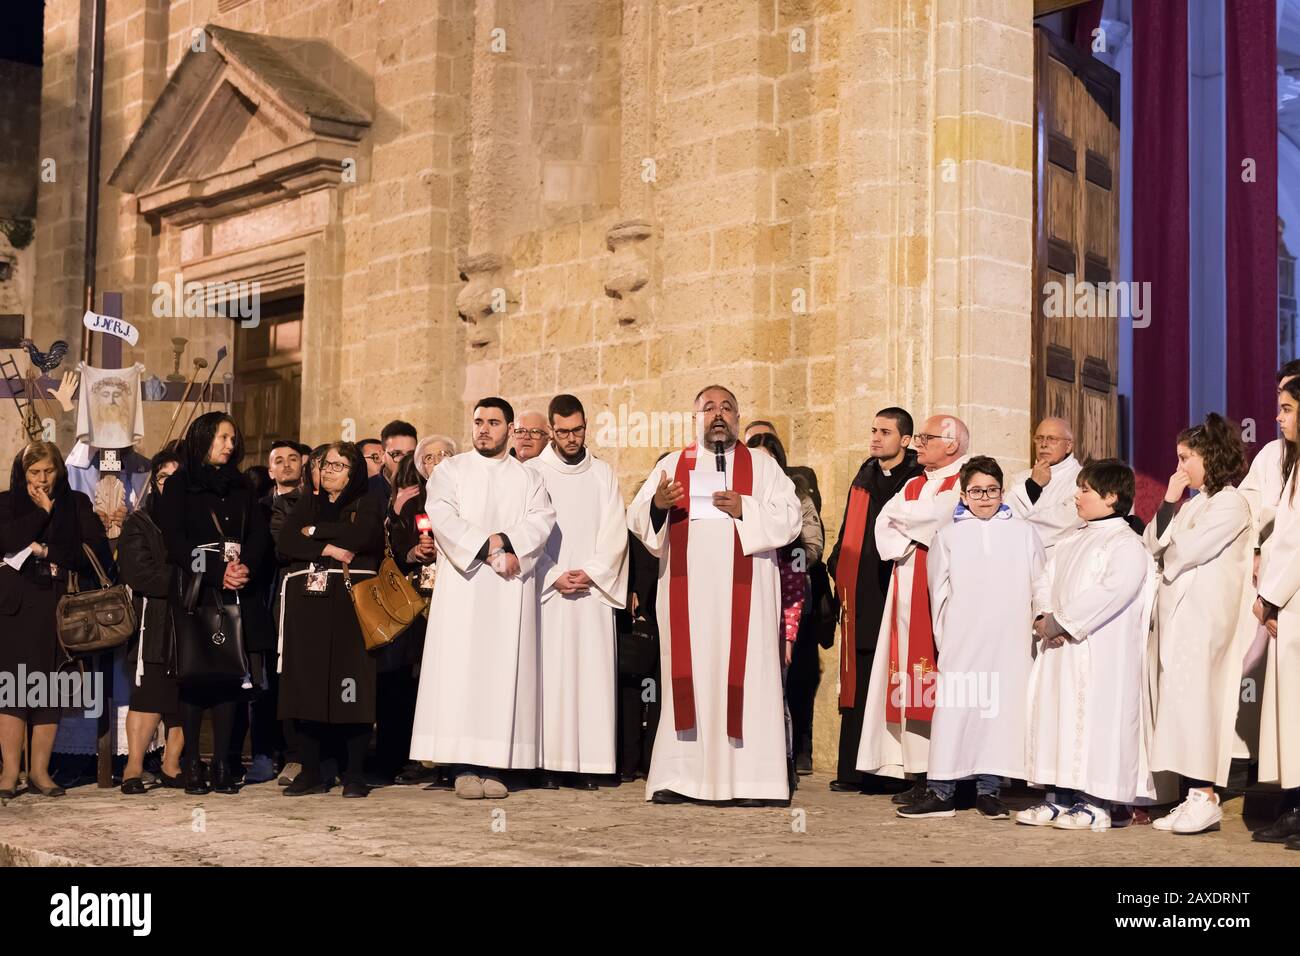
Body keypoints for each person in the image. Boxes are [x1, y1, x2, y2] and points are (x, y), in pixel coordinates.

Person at [627, 385, 802, 806]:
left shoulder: (762, 466)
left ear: (738, 417)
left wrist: (746, 508)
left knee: (749, 681)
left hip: (749, 598)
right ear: (695, 418)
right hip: (688, 601)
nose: (718, 415)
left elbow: (791, 517)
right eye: (709, 408)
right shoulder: (672, 463)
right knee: (689, 679)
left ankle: (754, 783)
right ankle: (680, 777)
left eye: (726, 407)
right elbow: (637, 518)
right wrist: (658, 504)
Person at [410, 397, 556, 799]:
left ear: (510, 429)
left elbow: (541, 519)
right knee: (463, 672)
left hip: (509, 586)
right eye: (478, 422)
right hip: (465, 585)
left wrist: (508, 546)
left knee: (502, 671)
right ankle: (462, 765)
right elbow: (442, 515)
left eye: (493, 422)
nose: (484, 429)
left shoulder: (528, 477)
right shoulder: (451, 471)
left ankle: (496, 764)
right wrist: (488, 547)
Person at [897, 456, 1044, 820]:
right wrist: (944, 639)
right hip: (963, 639)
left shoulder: (1024, 532)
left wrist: (1034, 624)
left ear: (1002, 491)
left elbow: (1040, 581)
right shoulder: (948, 535)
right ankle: (942, 790)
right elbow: (938, 591)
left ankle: (989, 791)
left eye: (992, 490)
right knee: (955, 712)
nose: (984, 498)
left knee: (997, 715)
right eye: (976, 491)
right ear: (963, 494)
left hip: (1009, 640)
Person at [1020, 459, 1158, 831]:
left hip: (1099, 652)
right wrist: (1042, 616)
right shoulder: (1070, 539)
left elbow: (1113, 590)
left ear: (1112, 497)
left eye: (1085, 490)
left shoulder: (1126, 544)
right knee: (1057, 719)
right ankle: (1058, 797)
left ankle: (1096, 802)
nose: (1076, 496)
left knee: (1096, 722)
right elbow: (1044, 580)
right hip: (1059, 649)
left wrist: (1062, 621)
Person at [1143, 414, 1251, 835]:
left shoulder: (1230, 502)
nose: (1179, 467)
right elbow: (1153, 542)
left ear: (1211, 455)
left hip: (1206, 617)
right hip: (1180, 615)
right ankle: (1191, 793)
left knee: (1200, 703)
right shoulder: (1195, 501)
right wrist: (1169, 501)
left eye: (1186, 457)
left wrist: (1168, 543)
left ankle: (1205, 796)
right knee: (1182, 704)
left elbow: (1183, 552)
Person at [856, 413, 971, 803]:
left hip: (941, 589)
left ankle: (949, 772)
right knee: (909, 676)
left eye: (927, 437)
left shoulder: (966, 481)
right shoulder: (913, 482)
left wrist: (909, 524)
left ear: (952, 444)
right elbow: (884, 523)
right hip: (904, 583)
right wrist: (910, 534)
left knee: (935, 675)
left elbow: (940, 518)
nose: (918, 443)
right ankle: (918, 772)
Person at [157, 412, 272, 796]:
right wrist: (214, 571)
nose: (230, 445)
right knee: (195, 678)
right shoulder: (180, 485)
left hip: (238, 591)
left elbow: (258, 535)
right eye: (223, 437)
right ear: (204, 438)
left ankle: (223, 763)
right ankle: (192, 764)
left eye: (233, 438)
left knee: (230, 678)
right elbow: (173, 541)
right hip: (198, 592)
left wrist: (244, 568)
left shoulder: (241, 486)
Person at [529, 394, 629, 790]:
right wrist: (552, 574)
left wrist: (591, 572)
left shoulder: (603, 474)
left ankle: (590, 763)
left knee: (591, 677)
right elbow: (527, 530)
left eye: (578, 430)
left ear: (586, 426)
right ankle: (550, 764)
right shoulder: (534, 472)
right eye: (564, 431)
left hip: (591, 593)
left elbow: (615, 530)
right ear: (551, 430)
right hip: (550, 593)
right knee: (551, 677)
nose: (572, 438)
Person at [0, 441, 109, 801]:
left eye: (48, 471)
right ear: (23, 472)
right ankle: (9, 771)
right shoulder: (7, 502)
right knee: (13, 691)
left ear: (59, 470)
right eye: (34, 473)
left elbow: (95, 551)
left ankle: (40, 771)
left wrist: (47, 550)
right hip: (15, 609)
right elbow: (7, 539)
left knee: (49, 690)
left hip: (59, 606)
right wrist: (42, 513)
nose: (42, 480)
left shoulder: (76, 503)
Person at [275, 441, 385, 798]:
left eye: (338, 465)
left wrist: (313, 531)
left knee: (353, 685)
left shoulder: (367, 501)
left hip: (352, 602)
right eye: (323, 465)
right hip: (310, 602)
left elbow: (360, 536)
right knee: (308, 684)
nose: (328, 471)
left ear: (353, 471)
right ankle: (310, 771)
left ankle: (354, 773)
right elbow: (286, 541)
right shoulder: (309, 500)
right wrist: (325, 547)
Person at [827, 408, 924, 792]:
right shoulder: (864, 475)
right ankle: (856, 769)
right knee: (864, 674)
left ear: (905, 440)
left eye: (885, 432)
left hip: (898, 588)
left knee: (898, 676)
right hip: (864, 591)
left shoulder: (917, 480)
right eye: (873, 430)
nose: (875, 437)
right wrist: (839, 561)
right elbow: (851, 525)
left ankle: (899, 771)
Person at [746, 430, 823, 786]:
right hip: (742, 604)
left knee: (779, 689)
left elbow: (807, 550)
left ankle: (785, 761)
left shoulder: (797, 498)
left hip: (784, 606)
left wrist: (788, 634)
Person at [117, 449, 186, 794]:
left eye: (178, 478)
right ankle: (133, 768)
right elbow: (139, 572)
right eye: (163, 478)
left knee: (183, 700)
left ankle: (172, 766)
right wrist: (186, 579)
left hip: (190, 622)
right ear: (155, 483)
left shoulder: (198, 520)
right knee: (148, 696)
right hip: (154, 622)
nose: (170, 484)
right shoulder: (140, 522)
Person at [1253, 376, 1300, 847]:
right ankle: (1293, 806)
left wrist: (1269, 594)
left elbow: (1295, 541)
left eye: (1286, 408)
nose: (1278, 416)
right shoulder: (1291, 463)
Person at [379, 454, 435, 783]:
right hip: (411, 600)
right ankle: (401, 756)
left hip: (451, 599)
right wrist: (415, 549)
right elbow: (397, 547)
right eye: (430, 457)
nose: (438, 462)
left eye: (445, 455)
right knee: (406, 676)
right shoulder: (409, 500)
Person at [1005, 417, 1083, 551]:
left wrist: (1016, 528)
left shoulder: (1083, 480)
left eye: (1052, 439)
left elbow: (1063, 523)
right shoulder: (1019, 478)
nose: (1044, 444)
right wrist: (1033, 484)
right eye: (1039, 438)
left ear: (1068, 446)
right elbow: (1004, 517)